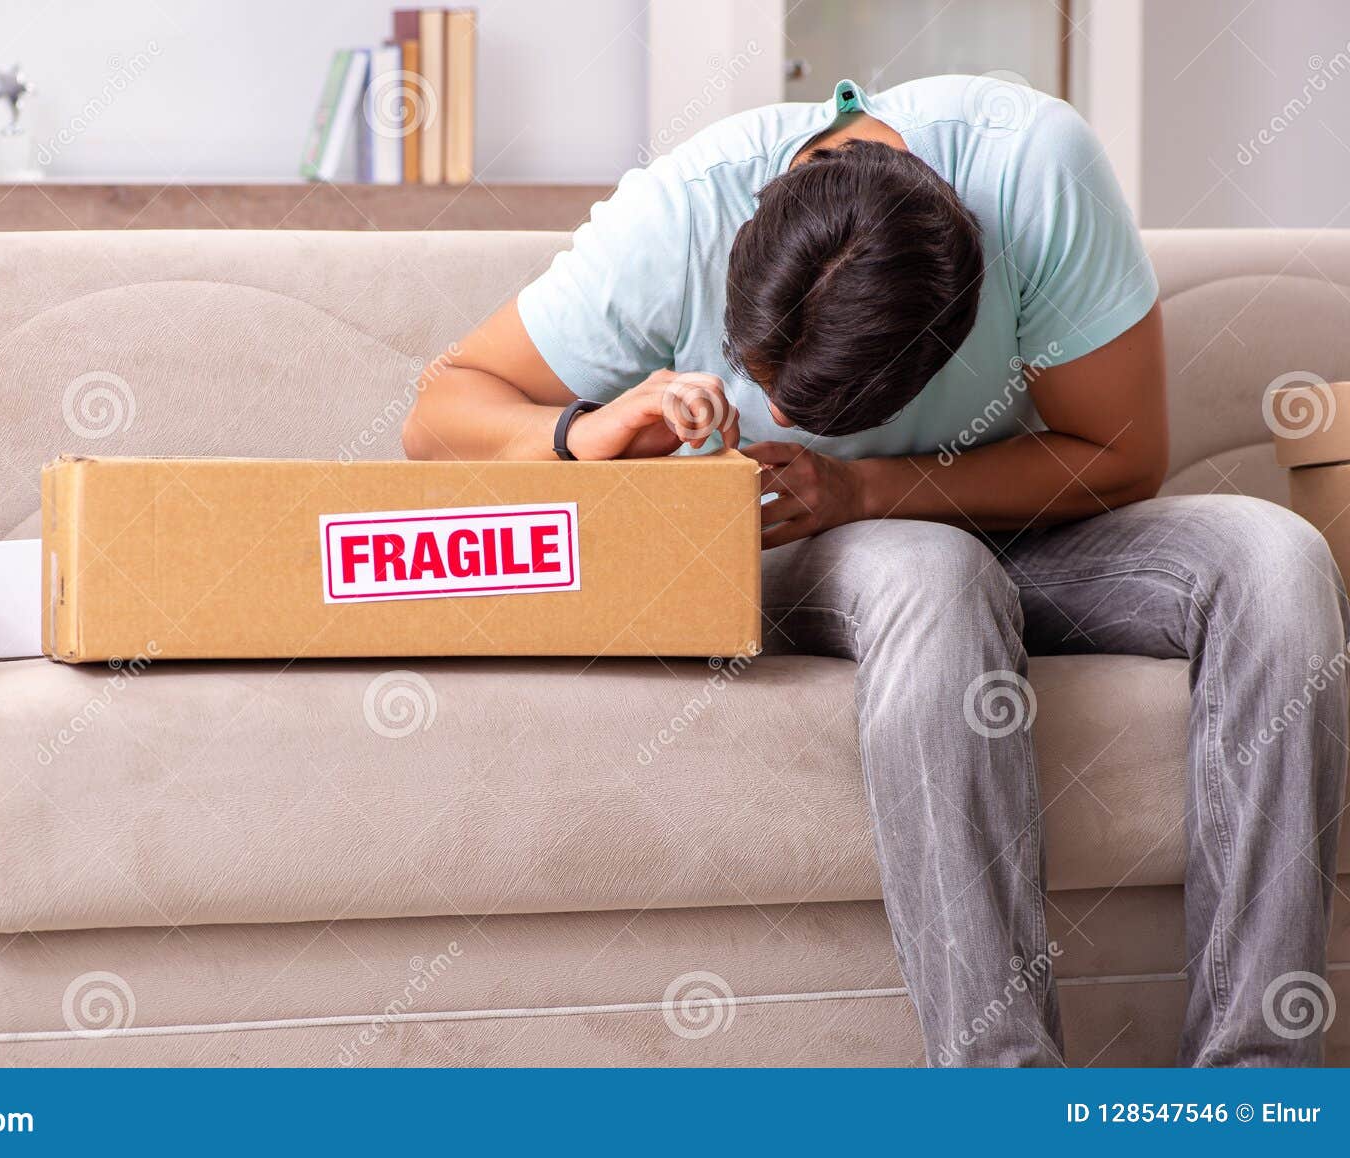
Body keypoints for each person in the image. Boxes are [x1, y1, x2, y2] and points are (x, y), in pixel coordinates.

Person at [402, 74, 1346, 1066]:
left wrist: (867, 485)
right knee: (935, 576)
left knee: (1274, 560)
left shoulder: (1033, 172)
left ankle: (1253, 1089)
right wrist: (588, 431)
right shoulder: (679, 215)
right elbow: (440, 410)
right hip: (803, 548)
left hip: (1004, 522)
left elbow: (1116, 453)